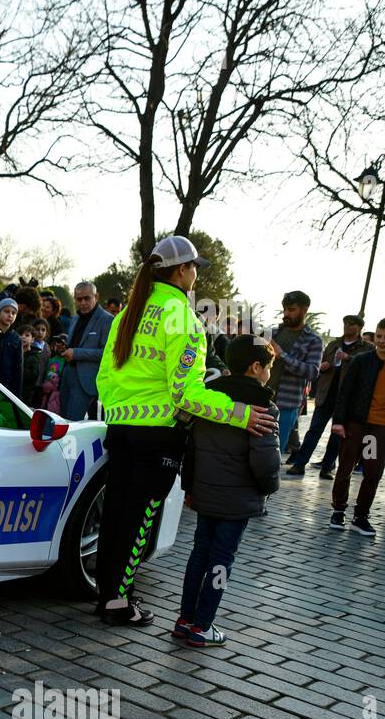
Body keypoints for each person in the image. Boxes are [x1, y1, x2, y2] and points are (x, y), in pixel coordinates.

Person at [93, 235, 273, 625]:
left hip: (120, 427)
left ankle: (107, 594)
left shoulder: (129, 313)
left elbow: (104, 377)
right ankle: (118, 602)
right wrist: (239, 413)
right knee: (139, 520)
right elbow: (186, 393)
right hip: (158, 434)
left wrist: (124, 409)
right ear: (181, 271)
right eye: (194, 267)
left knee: (116, 513)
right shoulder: (182, 318)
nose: (196, 274)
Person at [175, 335, 281, 647]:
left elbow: (191, 448)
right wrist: (268, 488)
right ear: (256, 367)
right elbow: (265, 459)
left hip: (205, 493)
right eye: (268, 367)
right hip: (238, 499)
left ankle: (185, 619)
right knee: (222, 560)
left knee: (199, 554)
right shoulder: (263, 405)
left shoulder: (210, 398)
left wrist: (189, 486)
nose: (269, 374)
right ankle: (203, 625)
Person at [328, 317, 385, 537]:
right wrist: (339, 422)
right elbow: (345, 391)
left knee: (372, 472)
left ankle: (361, 517)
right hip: (356, 425)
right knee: (345, 468)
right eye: (379, 336)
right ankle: (338, 511)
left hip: (379, 429)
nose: (381, 341)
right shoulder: (361, 361)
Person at [287, 313, 372, 478]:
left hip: (347, 399)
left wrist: (349, 358)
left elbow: (367, 368)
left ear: (360, 328)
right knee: (313, 431)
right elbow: (320, 363)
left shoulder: (367, 348)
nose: (348, 326)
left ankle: (327, 467)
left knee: (336, 436)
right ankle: (299, 464)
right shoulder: (334, 344)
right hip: (326, 395)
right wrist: (323, 366)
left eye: (352, 324)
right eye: (346, 323)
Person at [266, 290, 323, 454]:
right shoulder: (272, 333)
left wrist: (282, 355)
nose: (286, 314)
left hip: (286, 404)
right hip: (261, 398)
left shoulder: (314, 340)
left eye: (291, 310)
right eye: (284, 309)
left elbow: (312, 372)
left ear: (304, 310)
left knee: (274, 452)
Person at [60, 280, 114, 420]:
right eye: (79, 299)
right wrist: (64, 347)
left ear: (96, 297)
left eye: (87, 298)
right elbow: (74, 344)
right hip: (67, 374)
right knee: (62, 421)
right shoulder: (75, 318)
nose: (83, 303)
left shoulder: (107, 320)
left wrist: (76, 353)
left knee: (71, 424)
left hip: (86, 379)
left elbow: (106, 353)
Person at [40, 333, 68, 414]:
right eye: (57, 342)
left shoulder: (67, 362)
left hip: (58, 395)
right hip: (47, 394)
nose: (59, 345)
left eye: (62, 343)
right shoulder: (51, 360)